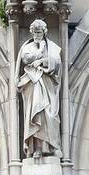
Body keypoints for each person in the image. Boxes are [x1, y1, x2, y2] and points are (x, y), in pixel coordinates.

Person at [15, 18, 61, 158]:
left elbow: (56, 63)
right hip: (33, 84)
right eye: (34, 32)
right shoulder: (27, 47)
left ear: (44, 32)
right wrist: (41, 52)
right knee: (35, 114)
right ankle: (37, 149)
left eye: (39, 32)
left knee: (49, 115)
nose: (37, 35)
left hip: (47, 85)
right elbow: (25, 59)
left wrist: (41, 61)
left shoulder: (51, 46)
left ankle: (51, 146)